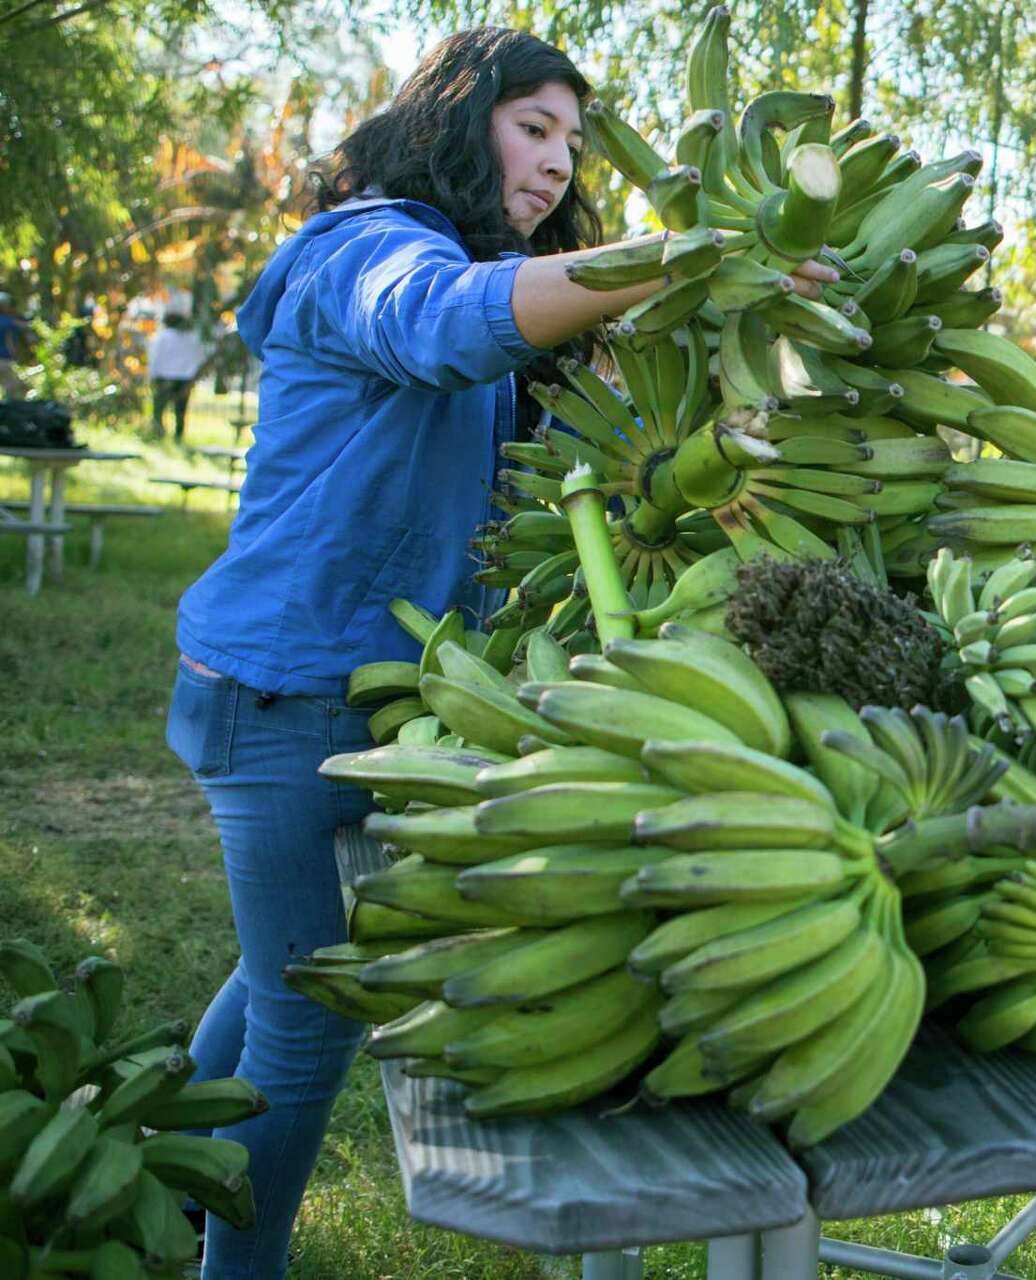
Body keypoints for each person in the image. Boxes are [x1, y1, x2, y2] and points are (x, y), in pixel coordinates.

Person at [164, 28, 834, 1280]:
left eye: (572, 142)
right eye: (534, 127)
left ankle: (161, 1166)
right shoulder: (370, 246)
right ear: (454, 116)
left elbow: (529, 368)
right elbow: (442, 325)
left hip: (347, 686)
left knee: (283, 967)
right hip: (280, 691)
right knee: (312, 1019)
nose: (554, 163)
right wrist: (690, 245)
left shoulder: (478, 266)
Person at [147, 311, 206, 439]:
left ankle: (158, 433)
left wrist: (152, 375)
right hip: (185, 378)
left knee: (159, 408)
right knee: (180, 410)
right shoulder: (192, 337)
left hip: (164, 377)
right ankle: (178, 435)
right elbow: (199, 358)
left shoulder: (162, 336)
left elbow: (155, 358)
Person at [0, 292, 28, 399]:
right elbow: (10, 342)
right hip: (5, 359)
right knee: (13, 391)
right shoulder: (9, 322)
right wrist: (14, 356)